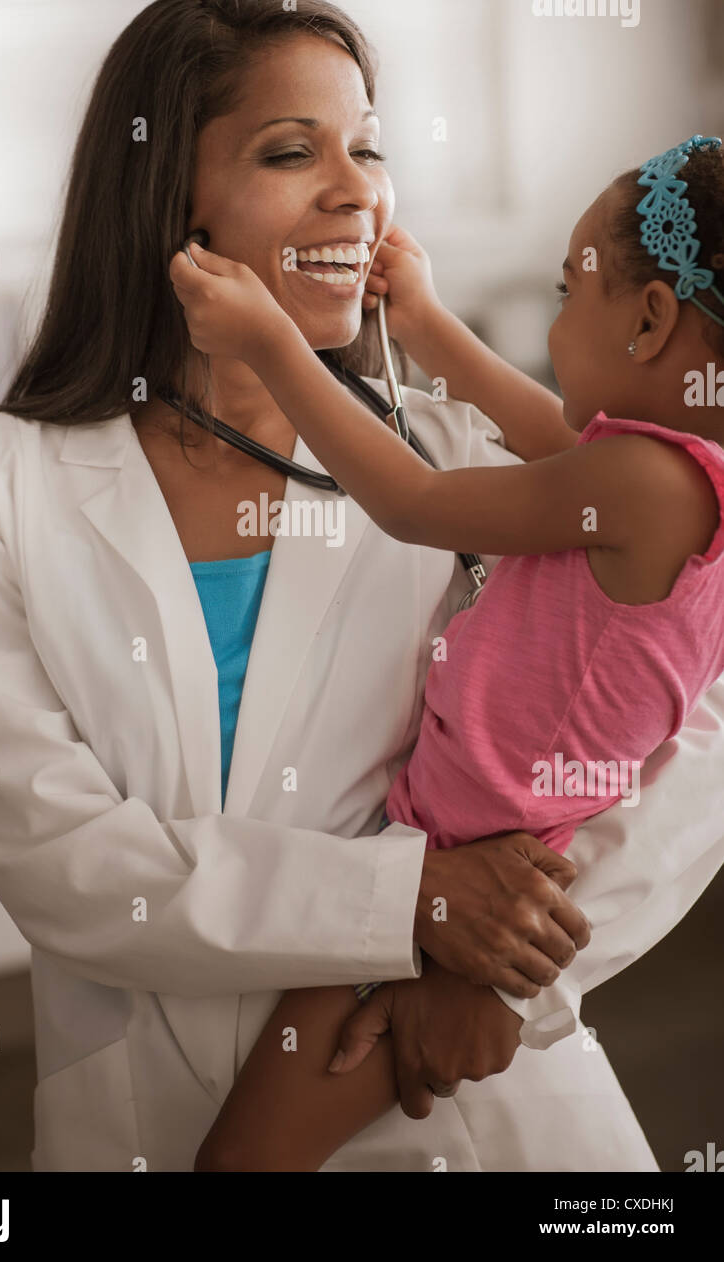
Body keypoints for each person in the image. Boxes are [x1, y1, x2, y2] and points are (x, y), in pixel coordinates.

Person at [0, 0, 724, 1172]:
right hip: (147, 1097)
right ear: (164, 201)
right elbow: (52, 851)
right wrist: (415, 905)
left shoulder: (453, 456)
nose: (358, 190)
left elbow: (680, 746)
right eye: (292, 152)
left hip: (463, 1093)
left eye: (367, 146)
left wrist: (493, 981)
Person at [176, 134, 724, 1170]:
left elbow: (412, 499)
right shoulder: (667, 478)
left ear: (648, 321)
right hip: (472, 848)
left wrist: (269, 345)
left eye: (569, 292)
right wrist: (421, 320)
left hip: (462, 865)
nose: (553, 323)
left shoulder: (644, 487)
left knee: (238, 1161)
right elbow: (531, 423)